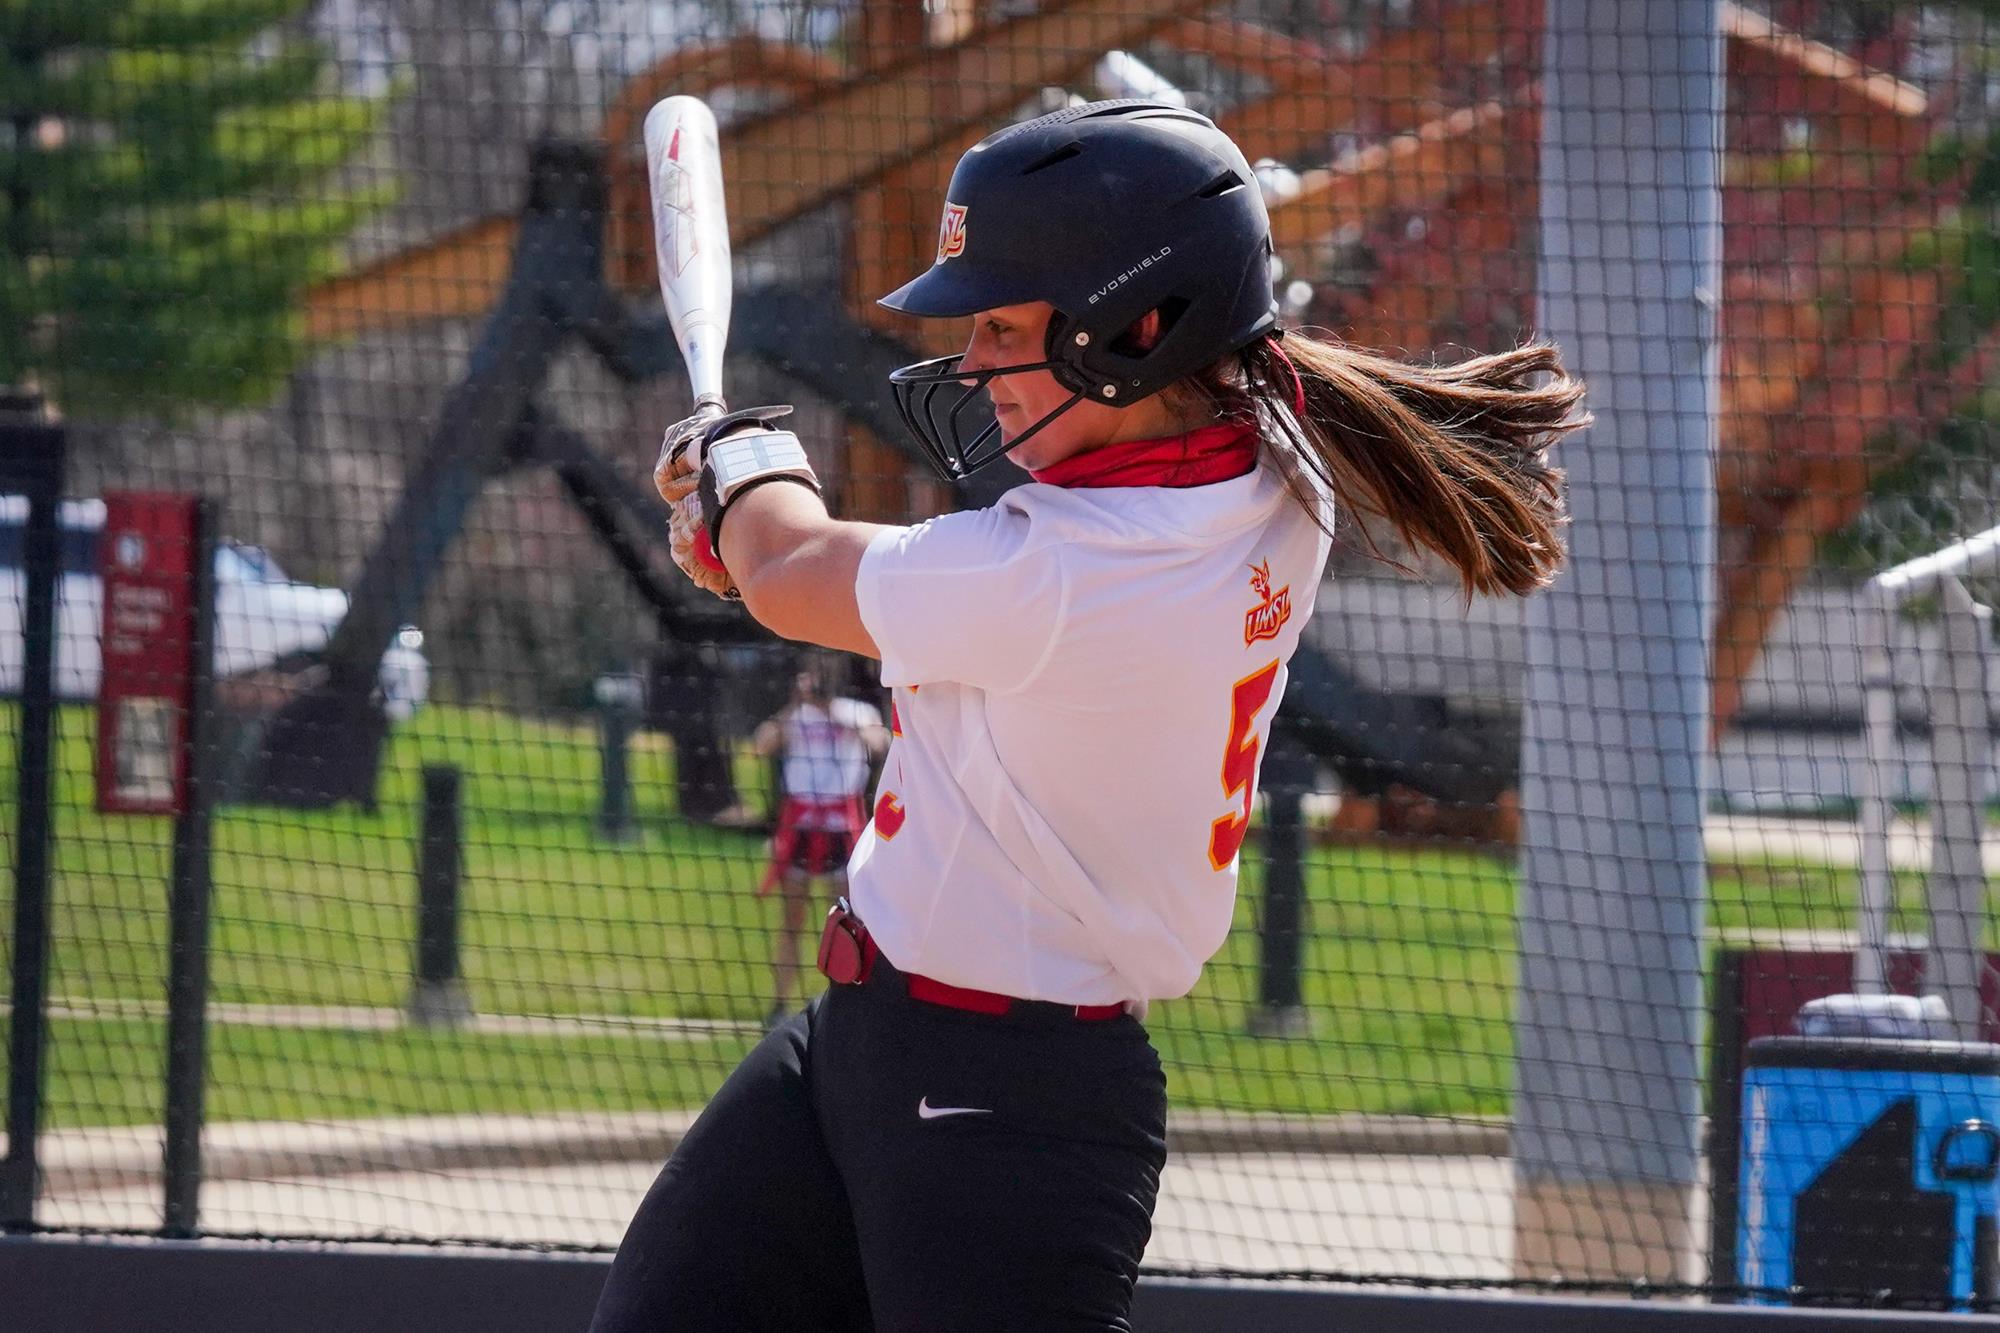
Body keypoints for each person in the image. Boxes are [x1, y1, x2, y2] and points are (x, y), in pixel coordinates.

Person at [594, 100, 1586, 1332]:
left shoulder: (1069, 571)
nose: (972, 363)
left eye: (1003, 327)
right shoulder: (1273, 456)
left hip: (1004, 1106)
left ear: (1139, 329)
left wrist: (737, 463)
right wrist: (741, 529)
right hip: (858, 1042)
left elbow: (793, 571)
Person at [749, 659, 889, 1028]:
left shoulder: (857, 711)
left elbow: (879, 743)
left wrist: (834, 714)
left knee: (847, 924)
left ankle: (847, 1005)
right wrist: (795, 705)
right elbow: (761, 744)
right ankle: (779, 1004)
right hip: (801, 824)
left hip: (841, 828)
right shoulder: (796, 715)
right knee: (791, 919)